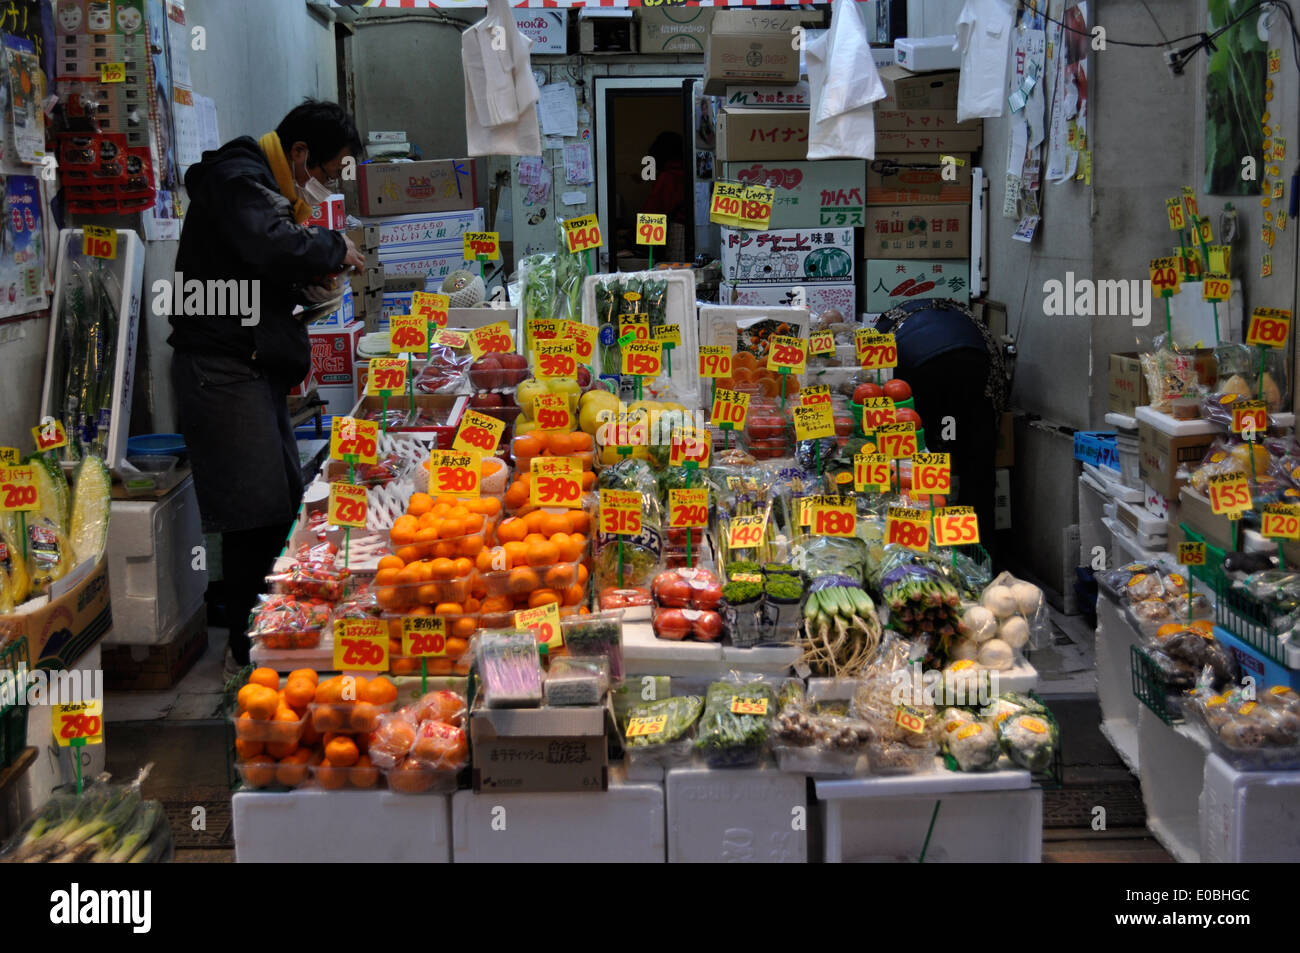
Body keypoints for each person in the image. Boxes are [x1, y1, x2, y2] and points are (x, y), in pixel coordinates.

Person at [168, 100, 365, 671]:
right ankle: (251, 652)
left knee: (278, 503)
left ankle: (270, 631)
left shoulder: (260, 183)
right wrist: (333, 247)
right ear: (299, 153)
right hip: (222, 369)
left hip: (248, 365)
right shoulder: (240, 178)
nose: (328, 184)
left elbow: (264, 259)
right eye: (329, 172)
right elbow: (271, 245)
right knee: (253, 512)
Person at [873, 298, 1009, 559]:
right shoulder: (964, 318)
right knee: (978, 469)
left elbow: (882, 380)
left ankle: (931, 551)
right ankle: (978, 557)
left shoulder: (889, 325)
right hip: (975, 370)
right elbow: (998, 384)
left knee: (925, 460)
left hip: (921, 373)